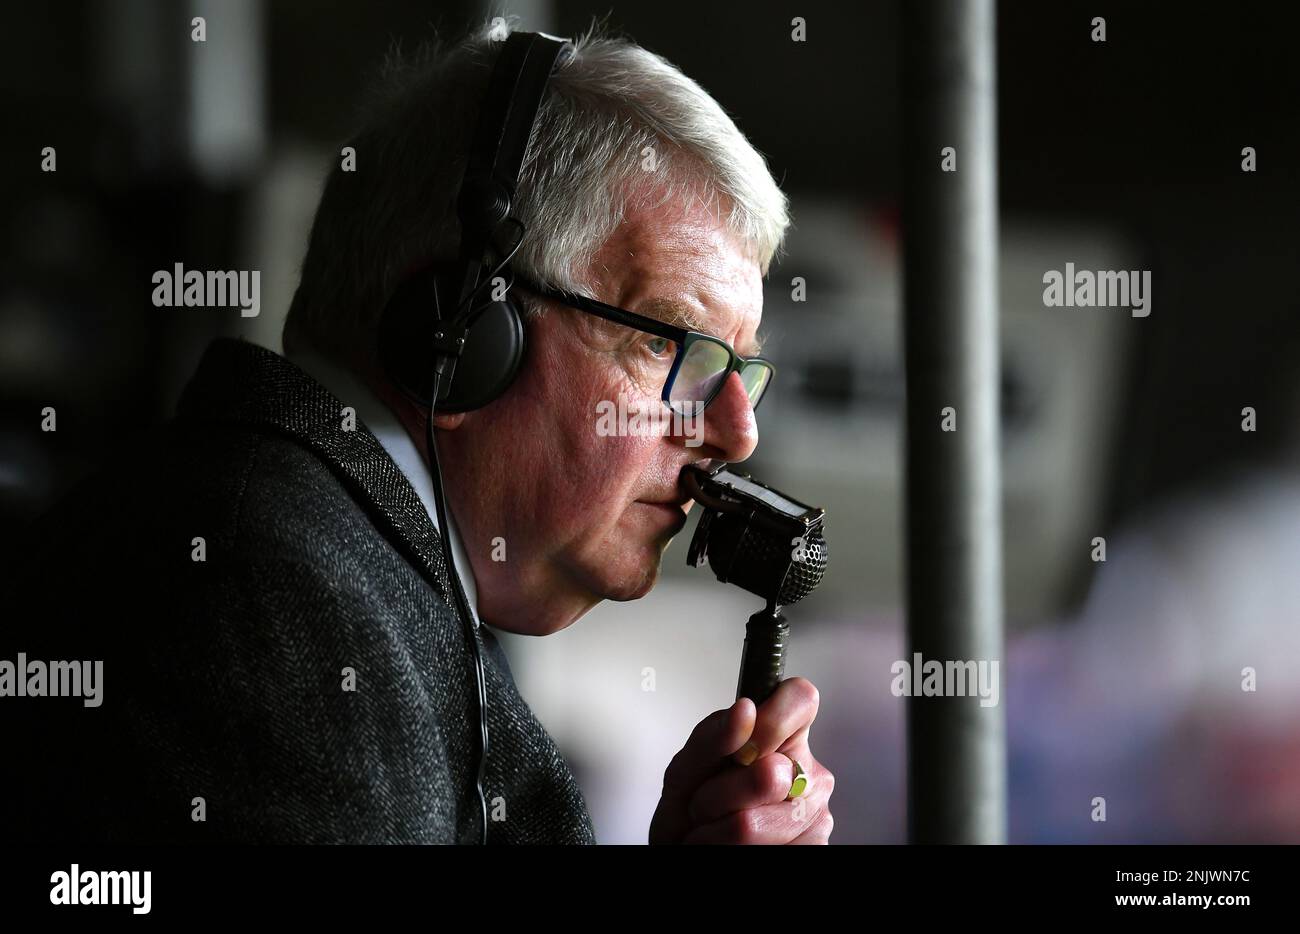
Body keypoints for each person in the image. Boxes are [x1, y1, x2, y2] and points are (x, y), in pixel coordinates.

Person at [1, 20, 834, 844]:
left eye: (740, 370)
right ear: (461, 335)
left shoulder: (338, 572)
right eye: (667, 344)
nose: (737, 434)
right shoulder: (274, 597)